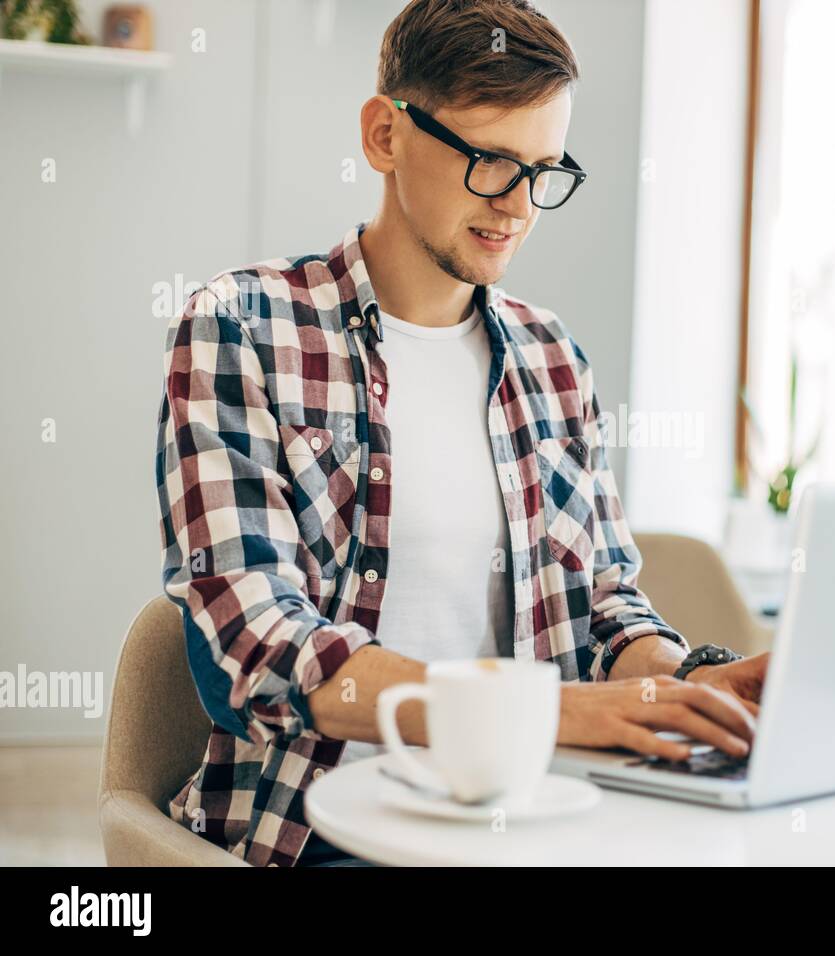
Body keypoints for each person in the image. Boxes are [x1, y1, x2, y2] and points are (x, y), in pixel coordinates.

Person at [155, 0, 767, 867]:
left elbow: (603, 610)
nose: (518, 206)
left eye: (544, 170)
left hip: (541, 820)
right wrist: (550, 711)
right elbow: (260, 647)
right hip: (320, 830)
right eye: (490, 162)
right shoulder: (243, 326)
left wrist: (693, 679)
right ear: (383, 135)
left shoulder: (553, 358)